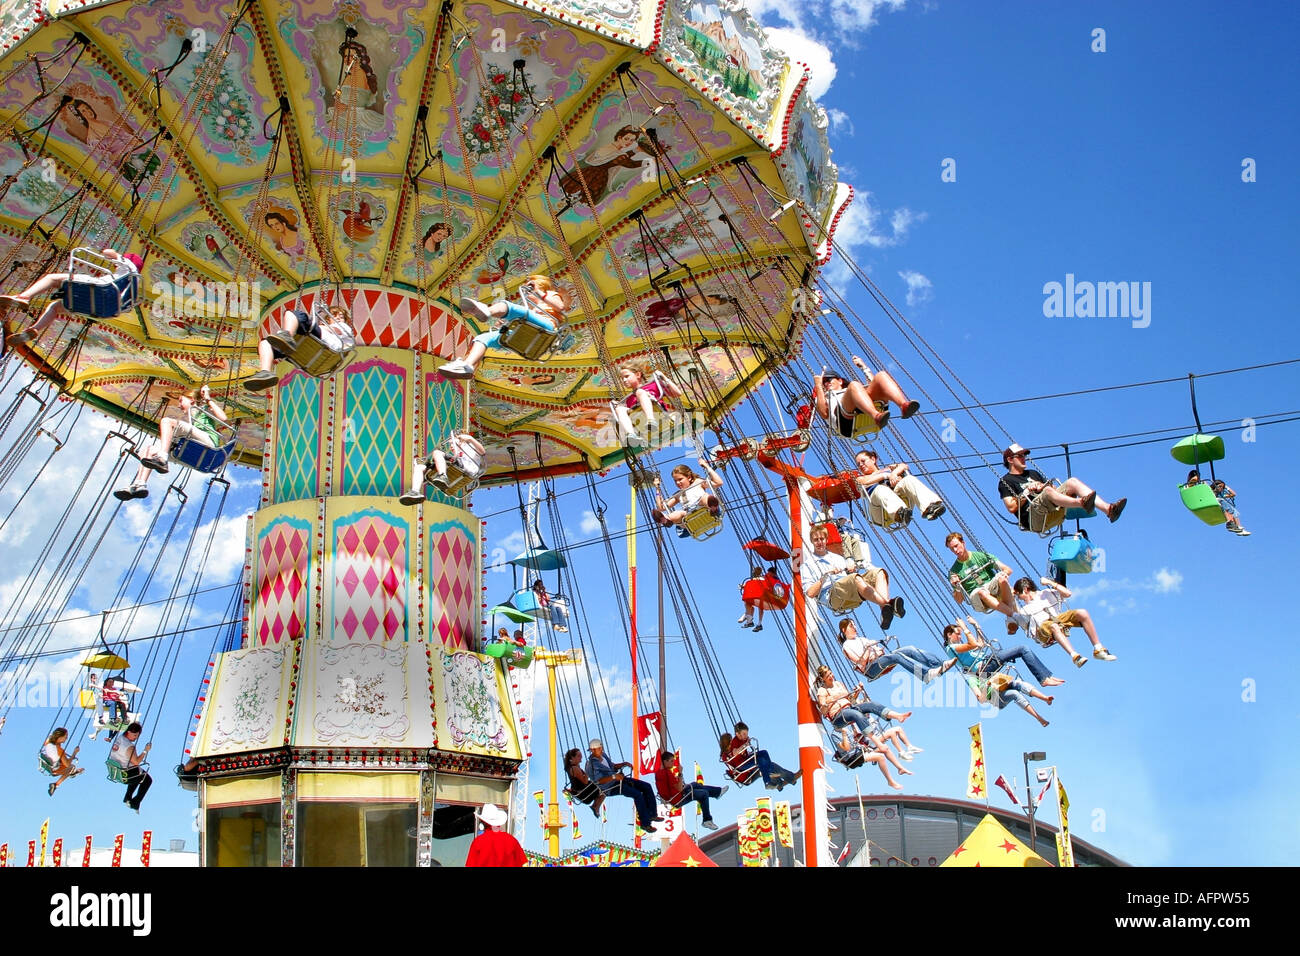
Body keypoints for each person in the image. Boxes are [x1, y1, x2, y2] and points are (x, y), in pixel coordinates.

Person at [3, 248, 143, 345]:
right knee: (55, 307)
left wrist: (116, 254)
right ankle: (35, 329)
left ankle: (23, 297)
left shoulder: (128, 264)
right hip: (105, 309)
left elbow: (107, 252)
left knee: (52, 279)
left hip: (102, 289)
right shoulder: (136, 283)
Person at [439, 275, 570, 378]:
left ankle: (487, 311)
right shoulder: (530, 307)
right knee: (484, 338)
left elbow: (560, 306)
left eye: (529, 288)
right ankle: (467, 365)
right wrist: (503, 324)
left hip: (547, 326)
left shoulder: (550, 295)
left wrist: (540, 292)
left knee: (508, 306)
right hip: (527, 336)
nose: (526, 292)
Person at [114, 385, 229, 501]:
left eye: (181, 401)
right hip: (195, 447)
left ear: (192, 400)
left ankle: (163, 458)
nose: (179, 405)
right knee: (148, 450)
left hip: (208, 441)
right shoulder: (191, 417)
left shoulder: (203, 408)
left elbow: (223, 418)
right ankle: (139, 484)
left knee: (166, 422)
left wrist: (208, 399)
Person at [999, 443, 1126, 531]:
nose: (1024, 459)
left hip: (1053, 512)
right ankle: (1082, 503)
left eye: (1024, 456)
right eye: (1020, 456)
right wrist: (1027, 491)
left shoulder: (1033, 473)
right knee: (1048, 491)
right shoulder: (1006, 481)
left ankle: (1109, 510)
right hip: (1034, 519)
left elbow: (1053, 490)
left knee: (1072, 482)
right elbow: (1011, 507)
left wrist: (1042, 486)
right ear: (1010, 460)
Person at [803, 522, 905, 629]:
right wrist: (826, 576)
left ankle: (885, 611)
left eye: (822, 539)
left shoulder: (837, 558)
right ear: (811, 541)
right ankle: (888, 604)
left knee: (879, 572)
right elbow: (810, 593)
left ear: (826, 539)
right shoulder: (808, 565)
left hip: (848, 588)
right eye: (816, 540)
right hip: (832, 595)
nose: (819, 542)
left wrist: (851, 568)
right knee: (855, 578)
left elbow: (849, 577)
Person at [244, 305, 358, 392]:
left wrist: (318, 325)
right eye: (335, 316)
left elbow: (334, 330)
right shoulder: (328, 327)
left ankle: (287, 336)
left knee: (293, 314)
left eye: (341, 317)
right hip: (310, 346)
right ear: (328, 320)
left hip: (326, 344)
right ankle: (265, 372)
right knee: (265, 343)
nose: (338, 318)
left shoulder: (344, 327)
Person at [1009, 576, 1116, 667]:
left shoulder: (1045, 593)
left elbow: (1067, 593)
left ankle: (1098, 649)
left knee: (1082, 613)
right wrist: (1011, 597)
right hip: (1043, 630)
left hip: (1057, 620)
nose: (1020, 599)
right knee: (1053, 626)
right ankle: (1075, 656)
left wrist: (1050, 583)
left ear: (1026, 590)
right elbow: (1014, 614)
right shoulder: (1024, 610)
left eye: (1020, 595)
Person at [813, 354, 919, 439]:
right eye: (824, 382)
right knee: (854, 385)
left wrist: (864, 367)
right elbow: (824, 413)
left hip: (862, 408)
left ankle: (903, 405)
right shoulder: (824, 397)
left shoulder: (853, 390)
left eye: (829, 380)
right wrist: (818, 385)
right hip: (845, 423)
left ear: (840, 381)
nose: (826, 383)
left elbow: (876, 386)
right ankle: (876, 415)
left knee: (881, 375)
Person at [943, 618, 1065, 688]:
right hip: (984, 667)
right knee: (1023, 648)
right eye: (957, 634)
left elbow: (980, 643)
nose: (960, 636)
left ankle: (1045, 676)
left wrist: (976, 626)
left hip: (987, 663)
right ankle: (1043, 679)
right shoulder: (952, 648)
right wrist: (965, 629)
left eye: (960, 634)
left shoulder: (959, 647)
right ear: (949, 635)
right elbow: (973, 644)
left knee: (1022, 650)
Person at [837, 617, 956, 683]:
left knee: (909, 649)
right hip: (870, 668)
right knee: (896, 657)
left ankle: (940, 665)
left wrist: (876, 648)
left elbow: (878, 650)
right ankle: (925, 674)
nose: (855, 627)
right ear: (844, 629)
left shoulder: (861, 638)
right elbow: (861, 662)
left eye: (855, 625)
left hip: (879, 660)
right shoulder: (847, 645)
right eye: (852, 626)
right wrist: (869, 649)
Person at [813, 665, 912, 740]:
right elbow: (823, 709)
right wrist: (828, 702)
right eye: (828, 675)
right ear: (823, 679)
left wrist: (858, 691)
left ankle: (898, 716)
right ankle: (875, 740)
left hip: (848, 709)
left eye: (831, 673)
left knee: (872, 705)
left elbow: (851, 700)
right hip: (838, 716)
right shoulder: (822, 690)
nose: (831, 676)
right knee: (856, 714)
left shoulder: (839, 684)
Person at [853, 449, 946, 527]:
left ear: (873, 459)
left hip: (902, 502)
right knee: (880, 489)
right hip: (880, 513)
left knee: (909, 479)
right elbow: (862, 482)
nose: (861, 465)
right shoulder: (861, 478)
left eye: (863, 461)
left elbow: (903, 466)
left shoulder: (889, 469)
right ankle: (899, 513)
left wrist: (894, 474)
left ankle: (930, 507)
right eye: (858, 464)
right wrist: (886, 476)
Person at [585, 738, 660, 831]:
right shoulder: (592, 764)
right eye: (598, 749)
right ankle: (645, 824)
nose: (601, 750)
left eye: (601, 748)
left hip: (618, 780)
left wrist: (623, 764)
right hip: (611, 787)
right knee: (637, 794)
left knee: (646, 786)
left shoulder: (603, 755)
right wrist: (614, 777)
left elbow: (612, 766)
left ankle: (652, 814)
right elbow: (598, 781)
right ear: (592, 750)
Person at [400, 431, 486, 504]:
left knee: (437, 452)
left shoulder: (470, 448)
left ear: (463, 441)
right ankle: (415, 491)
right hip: (457, 465)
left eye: (453, 443)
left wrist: (470, 439)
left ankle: (442, 476)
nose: (451, 446)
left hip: (466, 468)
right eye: (450, 444)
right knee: (420, 466)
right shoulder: (457, 455)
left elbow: (482, 451)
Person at [613, 362, 685, 446]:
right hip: (641, 422)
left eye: (626, 376)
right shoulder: (629, 399)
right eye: (622, 378)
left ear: (637, 374)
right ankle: (631, 434)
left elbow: (677, 393)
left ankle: (651, 420)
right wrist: (618, 406)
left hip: (659, 415)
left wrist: (663, 377)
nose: (624, 380)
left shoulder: (653, 385)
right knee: (619, 409)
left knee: (639, 392)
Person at [946, 532, 1016, 616]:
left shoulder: (980, 556)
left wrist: (1003, 575)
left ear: (963, 543)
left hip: (990, 586)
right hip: (977, 595)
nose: (955, 550)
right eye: (952, 549)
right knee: (982, 593)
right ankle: (1013, 614)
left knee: (1002, 579)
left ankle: (1015, 616)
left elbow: (1008, 569)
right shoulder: (954, 572)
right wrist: (957, 587)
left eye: (956, 546)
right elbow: (959, 600)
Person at [654, 751, 728, 830]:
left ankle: (718, 792)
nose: (673, 763)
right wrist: (680, 773)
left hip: (675, 796)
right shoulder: (667, 773)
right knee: (704, 794)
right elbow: (679, 788)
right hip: (678, 798)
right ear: (665, 761)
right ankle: (707, 820)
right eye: (671, 761)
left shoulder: (659, 773)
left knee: (695, 784)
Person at [651, 460, 723, 537]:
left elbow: (719, 483)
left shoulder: (698, 482)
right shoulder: (678, 495)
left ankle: (713, 507)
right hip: (689, 518)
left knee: (704, 498)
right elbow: (661, 508)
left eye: (680, 479)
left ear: (688, 477)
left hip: (704, 510)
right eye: (675, 481)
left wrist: (706, 466)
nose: (678, 483)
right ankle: (665, 520)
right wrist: (657, 488)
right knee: (678, 513)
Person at [720, 723, 800, 791]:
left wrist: (746, 741)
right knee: (766, 763)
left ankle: (778, 783)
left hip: (746, 763)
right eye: (730, 742)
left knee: (765, 755)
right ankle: (788, 778)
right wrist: (745, 745)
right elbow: (735, 752)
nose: (731, 743)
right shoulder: (729, 749)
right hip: (742, 768)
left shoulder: (740, 740)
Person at [832, 727, 904, 790]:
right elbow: (847, 748)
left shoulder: (848, 728)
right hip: (852, 758)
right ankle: (890, 781)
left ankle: (900, 768)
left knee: (885, 748)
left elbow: (856, 738)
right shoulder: (834, 734)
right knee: (880, 757)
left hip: (860, 751)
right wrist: (844, 734)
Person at [109, 722, 153, 812]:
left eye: (137, 736)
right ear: (128, 732)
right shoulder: (129, 746)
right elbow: (136, 761)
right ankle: (135, 803)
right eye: (135, 735)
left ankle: (127, 797)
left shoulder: (120, 738)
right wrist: (145, 751)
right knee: (147, 779)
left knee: (138, 774)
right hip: (125, 774)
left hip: (115, 770)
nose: (136, 738)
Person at [986, 672, 1055, 727]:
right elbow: (980, 698)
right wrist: (988, 686)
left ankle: (1045, 698)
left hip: (1001, 686)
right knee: (1015, 693)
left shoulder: (987, 666)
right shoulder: (975, 679)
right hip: (996, 698)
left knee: (1019, 683)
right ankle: (1039, 718)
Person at [738, 566, 786, 633]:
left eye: (769, 573)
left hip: (767, 595)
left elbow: (770, 585)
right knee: (751, 603)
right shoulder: (763, 578)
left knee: (757, 604)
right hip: (761, 594)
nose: (767, 574)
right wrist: (744, 587)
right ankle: (750, 619)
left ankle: (749, 617)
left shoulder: (770, 579)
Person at [563, 747, 605, 818]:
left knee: (603, 787)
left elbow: (575, 782)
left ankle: (596, 806)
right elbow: (585, 781)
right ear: (572, 758)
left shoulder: (573, 767)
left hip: (583, 792)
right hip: (583, 793)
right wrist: (587, 770)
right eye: (578, 756)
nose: (581, 758)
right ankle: (596, 807)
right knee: (606, 787)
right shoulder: (574, 768)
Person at [41, 728, 83, 796]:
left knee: (72, 767)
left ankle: (73, 772)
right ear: (60, 737)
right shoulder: (60, 751)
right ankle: (56, 784)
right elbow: (67, 764)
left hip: (51, 764)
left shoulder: (49, 743)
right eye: (65, 737)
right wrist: (74, 753)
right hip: (55, 770)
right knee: (72, 767)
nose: (66, 739)